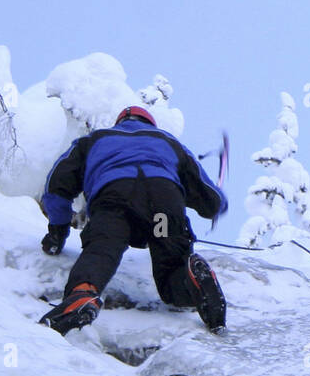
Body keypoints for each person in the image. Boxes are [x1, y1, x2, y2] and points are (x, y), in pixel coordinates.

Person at [37, 105, 228, 334]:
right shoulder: (167, 141)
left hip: (115, 200)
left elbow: (57, 185)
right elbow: (208, 195)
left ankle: (82, 294)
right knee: (170, 265)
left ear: (119, 122)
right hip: (162, 205)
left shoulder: (94, 140)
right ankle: (192, 276)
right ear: (150, 123)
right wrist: (215, 206)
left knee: (102, 249)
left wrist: (57, 231)